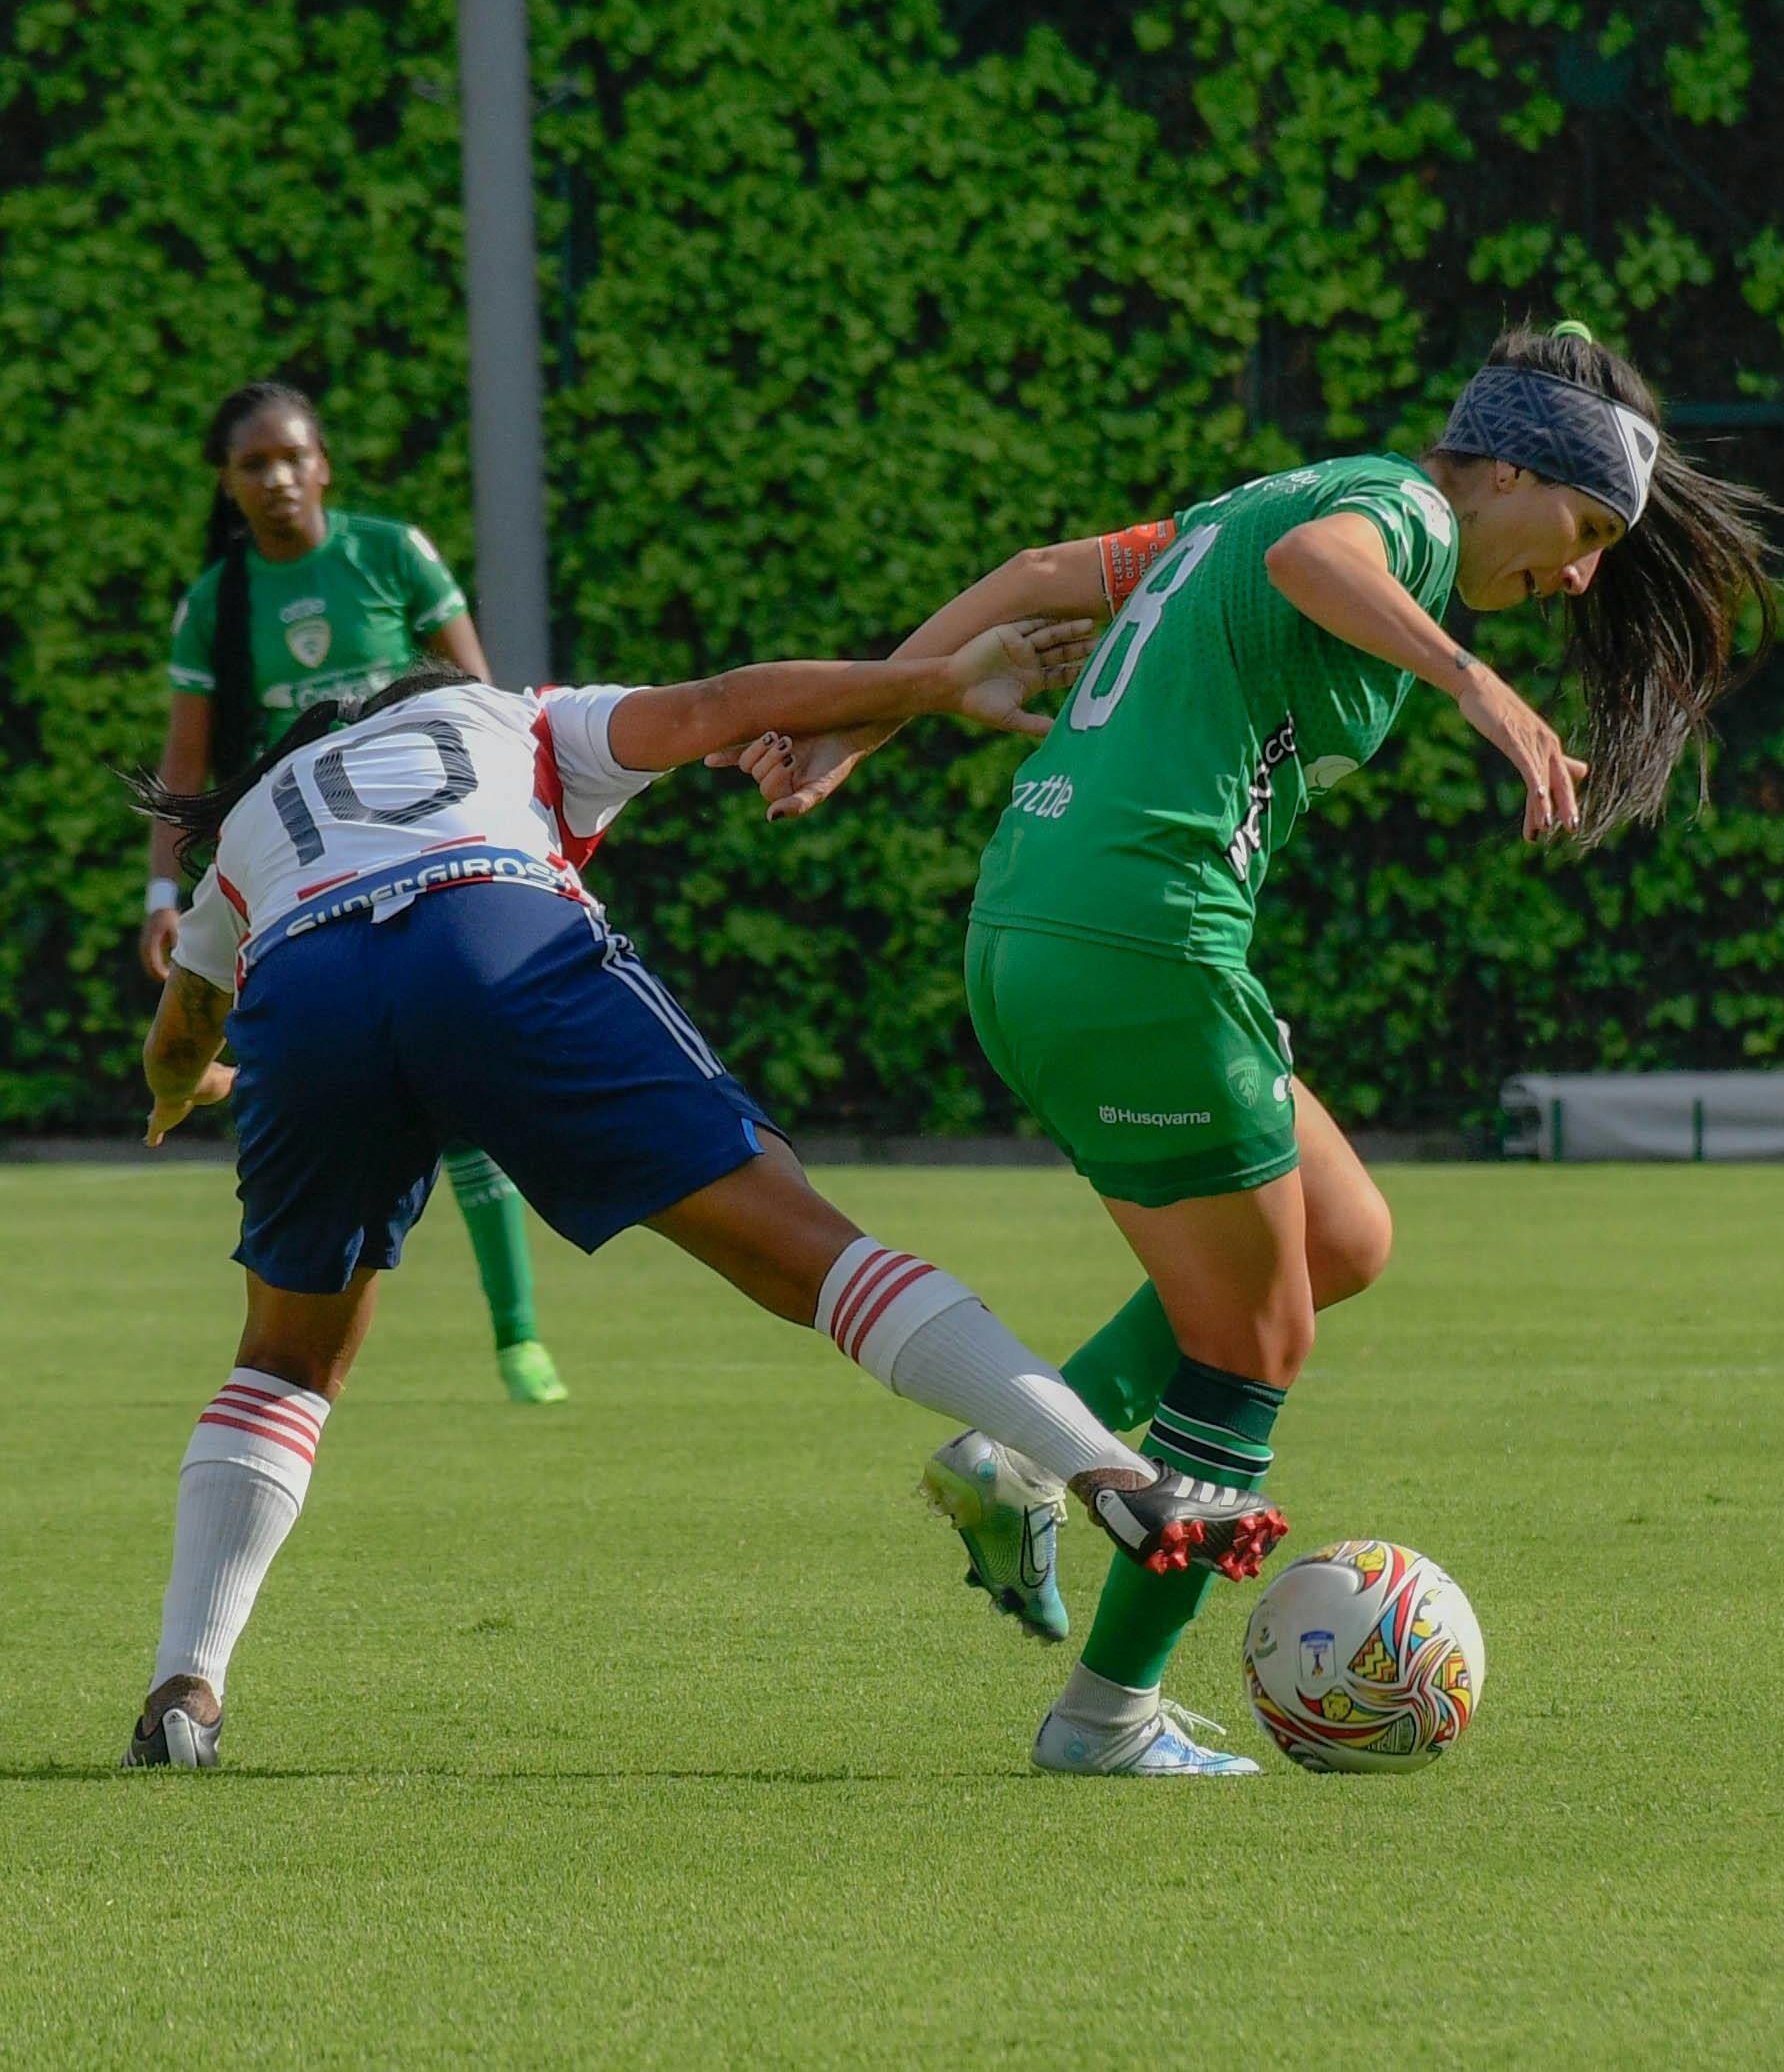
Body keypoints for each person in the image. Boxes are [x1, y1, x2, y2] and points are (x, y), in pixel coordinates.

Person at [715, 321, 1784, 1777]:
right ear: (1505, 467)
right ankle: (1105, 1717)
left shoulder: (1246, 503)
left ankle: (1021, 1453)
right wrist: (1473, 685)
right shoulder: (1398, 516)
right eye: (1580, 524)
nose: (1578, 571)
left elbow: (1041, 579)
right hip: (1143, 938)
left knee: (1340, 1229)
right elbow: (1316, 572)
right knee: (1252, 1340)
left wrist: (863, 721)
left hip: (1040, 920)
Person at [118, 629, 1287, 1770]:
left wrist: (184, 1094)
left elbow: (183, 1030)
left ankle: (186, 1683)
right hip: (491, 931)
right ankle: (1111, 1476)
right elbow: (721, 702)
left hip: (309, 987)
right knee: (811, 1254)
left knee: (284, 1363)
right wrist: (932, 681)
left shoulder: (260, 813)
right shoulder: (505, 713)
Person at [141, 381, 568, 1406]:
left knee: (450, 1077)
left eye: (294, 457)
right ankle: (299, 1318)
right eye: (255, 464)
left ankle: (518, 1338)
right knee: (345, 1073)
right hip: (299, 866)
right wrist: (163, 889)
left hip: (427, 849)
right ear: (229, 484)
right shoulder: (218, 601)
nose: (278, 479)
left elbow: (489, 704)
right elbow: (189, 758)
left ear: (325, 465)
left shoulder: (390, 553)